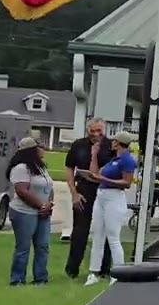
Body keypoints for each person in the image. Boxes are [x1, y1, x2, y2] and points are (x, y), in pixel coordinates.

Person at [80, 130, 137, 286]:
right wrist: (94, 155)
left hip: (114, 197)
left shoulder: (127, 160)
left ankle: (118, 272)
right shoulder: (113, 160)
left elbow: (127, 182)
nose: (112, 143)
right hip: (102, 195)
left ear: (118, 143)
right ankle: (94, 272)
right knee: (98, 235)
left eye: (114, 141)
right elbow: (95, 173)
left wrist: (102, 178)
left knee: (113, 236)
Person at [63, 118, 114, 279]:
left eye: (99, 131)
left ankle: (104, 269)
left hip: (104, 189)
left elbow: (104, 171)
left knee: (105, 229)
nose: (95, 135)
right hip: (84, 188)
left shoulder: (111, 146)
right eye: (92, 131)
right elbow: (70, 168)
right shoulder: (78, 145)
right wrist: (74, 193)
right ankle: (72, 269)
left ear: (104, 131)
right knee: (79, 230)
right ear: (87, 130)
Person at [6, 137, 54, 286]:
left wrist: (49, 203)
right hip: (24, 212)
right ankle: (17, 279)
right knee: (23, 247)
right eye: (40, 147)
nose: (43, 149)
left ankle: (40, 278)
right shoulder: (21, 168)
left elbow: (49, 186)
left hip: (43, 212)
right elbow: (22, 191)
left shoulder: (40, 167)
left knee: (43, 246)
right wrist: (41, 206)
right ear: (31, 150)